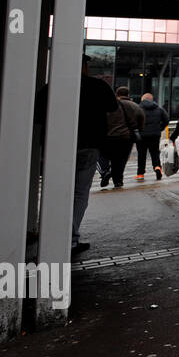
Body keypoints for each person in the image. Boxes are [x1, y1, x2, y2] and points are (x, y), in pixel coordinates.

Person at [74, 54, 118, 254]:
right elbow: (112, 106)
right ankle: (70, 238)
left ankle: (51, 232)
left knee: (55, 190)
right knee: (80, 192)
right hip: (89, 144)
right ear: (84, 66)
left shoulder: (52, 85)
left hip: (55, 146)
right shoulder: (97, 86)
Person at [100, 86, 145, 189]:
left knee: (104, 155)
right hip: (126, 137)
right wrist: (137, 130)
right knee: (121, 159)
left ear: (117, 94)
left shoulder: (109, 105)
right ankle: (118, 181)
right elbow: (141, 119)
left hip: (109, 136)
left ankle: (105, 171)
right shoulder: (135, 106)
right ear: (128, 94)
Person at [136, 92, 170, 180]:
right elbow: (166, 119)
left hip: (141, 135)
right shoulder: (159, 108)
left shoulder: (138, 108)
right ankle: (157, 167)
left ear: (142, 99)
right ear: (152, 99)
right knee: (155, 152)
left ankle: (140, 174)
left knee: (141, 154)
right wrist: (160, 128)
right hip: (155, 135)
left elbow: (133, 120)